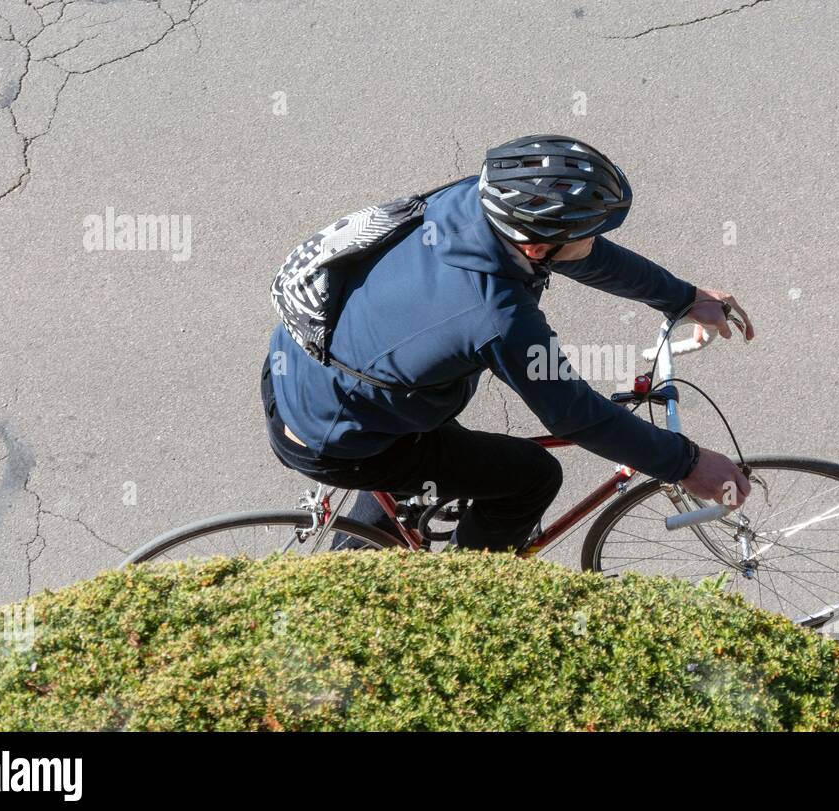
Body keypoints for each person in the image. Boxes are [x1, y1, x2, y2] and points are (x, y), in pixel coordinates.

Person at [261, 134, 753, 551]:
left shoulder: (468, 203)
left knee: (437, 444)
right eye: (589, 232)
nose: (595, 240)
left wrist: (681, 297)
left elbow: (581, 256)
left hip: (302, 368)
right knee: (530, 477)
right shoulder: (495, 316)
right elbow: (575, 414)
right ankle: (464, 594)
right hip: (335, 438)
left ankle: (370, 543)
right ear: (537, 247)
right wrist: (685, 463)